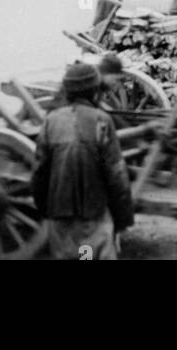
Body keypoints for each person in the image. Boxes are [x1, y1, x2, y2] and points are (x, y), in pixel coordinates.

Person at [31, 60, 134, 260]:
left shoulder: (51, 121)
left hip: (60, 217)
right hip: (91, 219)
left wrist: (47, 211)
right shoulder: (101, 121)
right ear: (95, 91)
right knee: (85, 255)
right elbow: (117, 176)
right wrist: (122, 219)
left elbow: (39, 174)